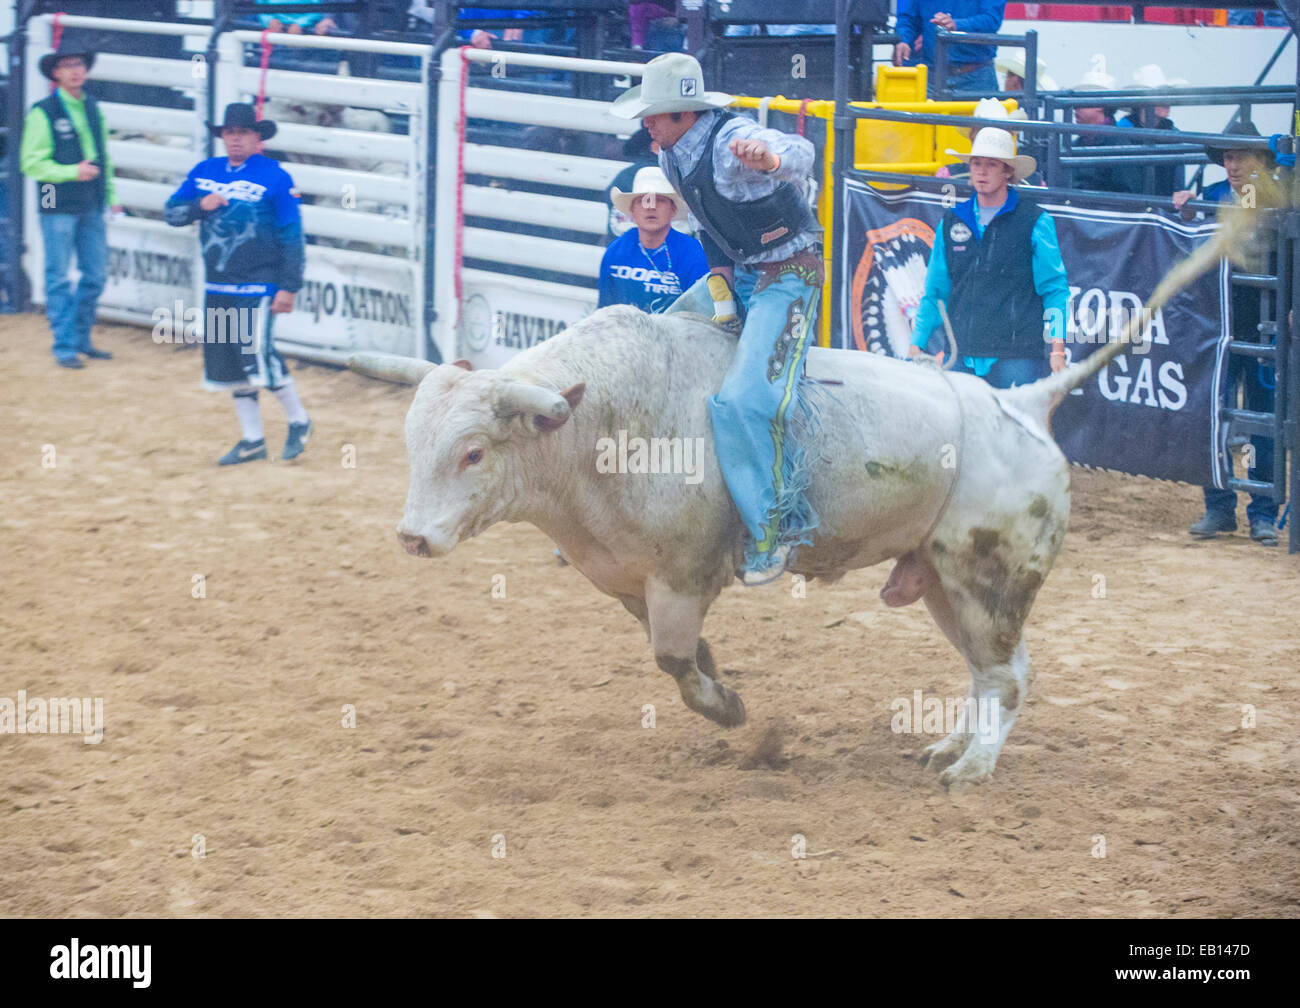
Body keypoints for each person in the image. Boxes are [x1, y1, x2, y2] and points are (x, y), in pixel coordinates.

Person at [611, 53, 823, 584]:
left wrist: (769, 158)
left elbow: (801, 152)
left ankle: (778, 530)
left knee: (743, 398)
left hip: (788, 270)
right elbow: (712, 225)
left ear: (683, 114)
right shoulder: (671, 158)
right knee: (659, 338)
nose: (647, 123)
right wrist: (723, 288)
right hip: (745, 272)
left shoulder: (732, 144)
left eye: (655, 114)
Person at [164, 103, 313, 466]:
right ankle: (252, 439)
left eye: (243, 133)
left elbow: (292, 234)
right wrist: (202, 204)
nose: (235, 139)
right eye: (229, 133)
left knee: (255, 352)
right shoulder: (204, 172)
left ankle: (299, 420)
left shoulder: (276, 176)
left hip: (259, 282)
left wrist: (289, 286)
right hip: (218, 283)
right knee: (231, 362)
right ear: (222, 137)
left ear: (257, 137)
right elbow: (172, 212)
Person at [1173, 121, 1280, 546]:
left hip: (1261, 323)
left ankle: (1261, 510)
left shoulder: (1276, 201)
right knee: (1216, 414)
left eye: (1240, 156)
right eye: (1228, 157)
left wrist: (1289, 307)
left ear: (1257, 160)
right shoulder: (1214, 197)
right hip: (1219, 323)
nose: (1232, 165)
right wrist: (1185, 209)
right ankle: (1221, 506)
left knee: (1260, 420)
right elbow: (1185, 235)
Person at [909, 123, 1069, 387]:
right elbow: (935, 291)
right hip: (961, 352)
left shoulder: (1035, 221)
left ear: (1008, 172)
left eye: (992, 164)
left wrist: (1057, 348)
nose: (981, 171)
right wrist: (916, 344)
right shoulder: (951, 221)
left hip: (1016, 355)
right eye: (976, 163)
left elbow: (1055, 290)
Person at [19, 43, 121, 369]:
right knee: (58, 274)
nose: (75, 70)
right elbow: (31, 163)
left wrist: (111, 196)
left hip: (88, 198)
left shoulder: (92, 107)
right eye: (67, 65)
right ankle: (65, 343)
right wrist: (71, 172)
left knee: (95, 273)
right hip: (55, 198)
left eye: (79, 63)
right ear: (56, 73)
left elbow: (103, 156)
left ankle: (78, 339)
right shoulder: (43, 111)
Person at [598, 166, 709, 312]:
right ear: (632, 210)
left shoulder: (693, 253)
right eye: (643, 201)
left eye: (660, 200)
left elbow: (701, 316)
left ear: (673, 209)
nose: (650, 207)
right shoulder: (616, 251)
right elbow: (604, 312)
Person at [893, 0, 1007, 96]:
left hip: (975, 76)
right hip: (932, 76)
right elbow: (907, 18)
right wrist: (904, 40)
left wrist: (958, 25)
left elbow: (992, 19)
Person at [1068, 66, 1141, 194]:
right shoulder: (1078, 143)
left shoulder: (1119, 144)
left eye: (1080, 101)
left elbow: (1127, 192)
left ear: (1099, 105)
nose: (1075, 108)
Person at [1117, 64, 1186, 196]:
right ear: (1142, 102)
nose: (1167, 101)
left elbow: (1178, 185)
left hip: (1163, 208)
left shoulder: (1174, 133)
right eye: (1160, 95)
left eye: (1168, 95)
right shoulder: (1122, 131)